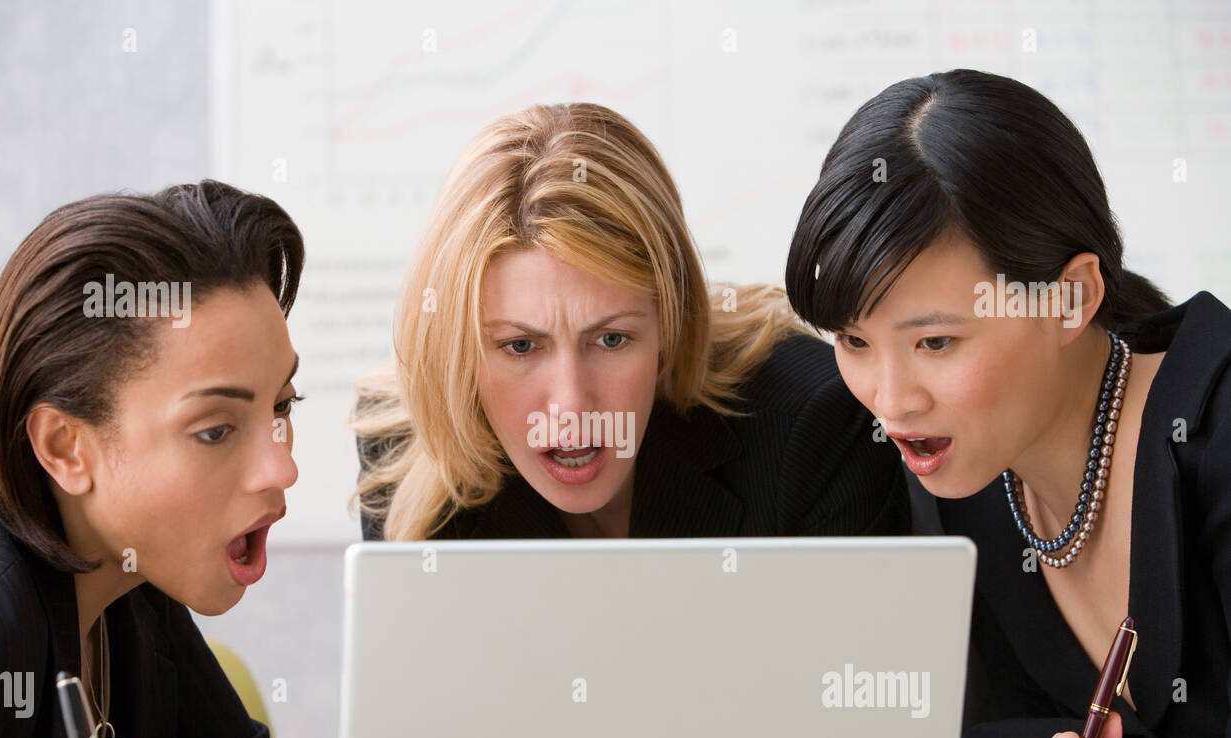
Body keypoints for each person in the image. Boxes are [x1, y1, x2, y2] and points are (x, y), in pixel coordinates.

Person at [785, 68, 1230, 738]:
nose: (890, 401)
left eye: (936, 342)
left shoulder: (1219, 434)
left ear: (1071, 298)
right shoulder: (962, 476)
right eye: (853, 342)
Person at [0, 180, 304, 738]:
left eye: (281, 406)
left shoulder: (130, 571)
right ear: (66, 448)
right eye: (216, 430)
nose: (282, 468)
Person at [352, 102, 908, 542]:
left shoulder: (813, 424)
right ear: (458, 346)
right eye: (520, 346)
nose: (572, 407)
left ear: (670, 321)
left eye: (612, 339)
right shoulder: (402, 451)